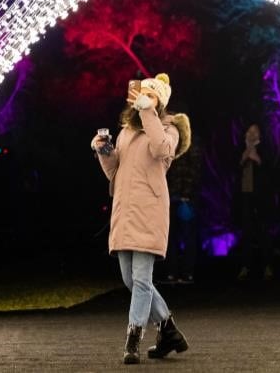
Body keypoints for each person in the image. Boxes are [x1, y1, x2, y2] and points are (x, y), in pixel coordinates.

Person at [91, 73, 191, 365]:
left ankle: (133, 339)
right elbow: (115, 171)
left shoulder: (168, 129)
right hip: (125, 210)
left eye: (149, 95)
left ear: (158, 101)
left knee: (142, 280)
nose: (140, 97)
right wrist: (103, 150)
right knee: (130, 279)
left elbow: (161, 150)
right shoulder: (126, 131)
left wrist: (148, 111)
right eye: (140, 94)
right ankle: (168, 329)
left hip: (149, 210)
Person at [235, 124, 275, 281]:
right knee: (246, 233)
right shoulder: (239, 148)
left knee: (264, 233)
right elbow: (234, 169)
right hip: (245, 198)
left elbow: (271, 171)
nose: (251, 133)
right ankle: (245, 266)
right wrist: (245, 156)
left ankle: (267, 266)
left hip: (262, 199)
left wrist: (257, 158)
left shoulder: (266, 149)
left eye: (254, 131)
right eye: (249, 130)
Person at [165, 138, 200, 285]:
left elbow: (195, 171)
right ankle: (172, 272)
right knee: (171, 236)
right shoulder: (168, 145)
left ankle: (187, 272)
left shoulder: (192, 147)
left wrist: (187, 195)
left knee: (187, 236)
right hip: (171, 198)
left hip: (186, 199)